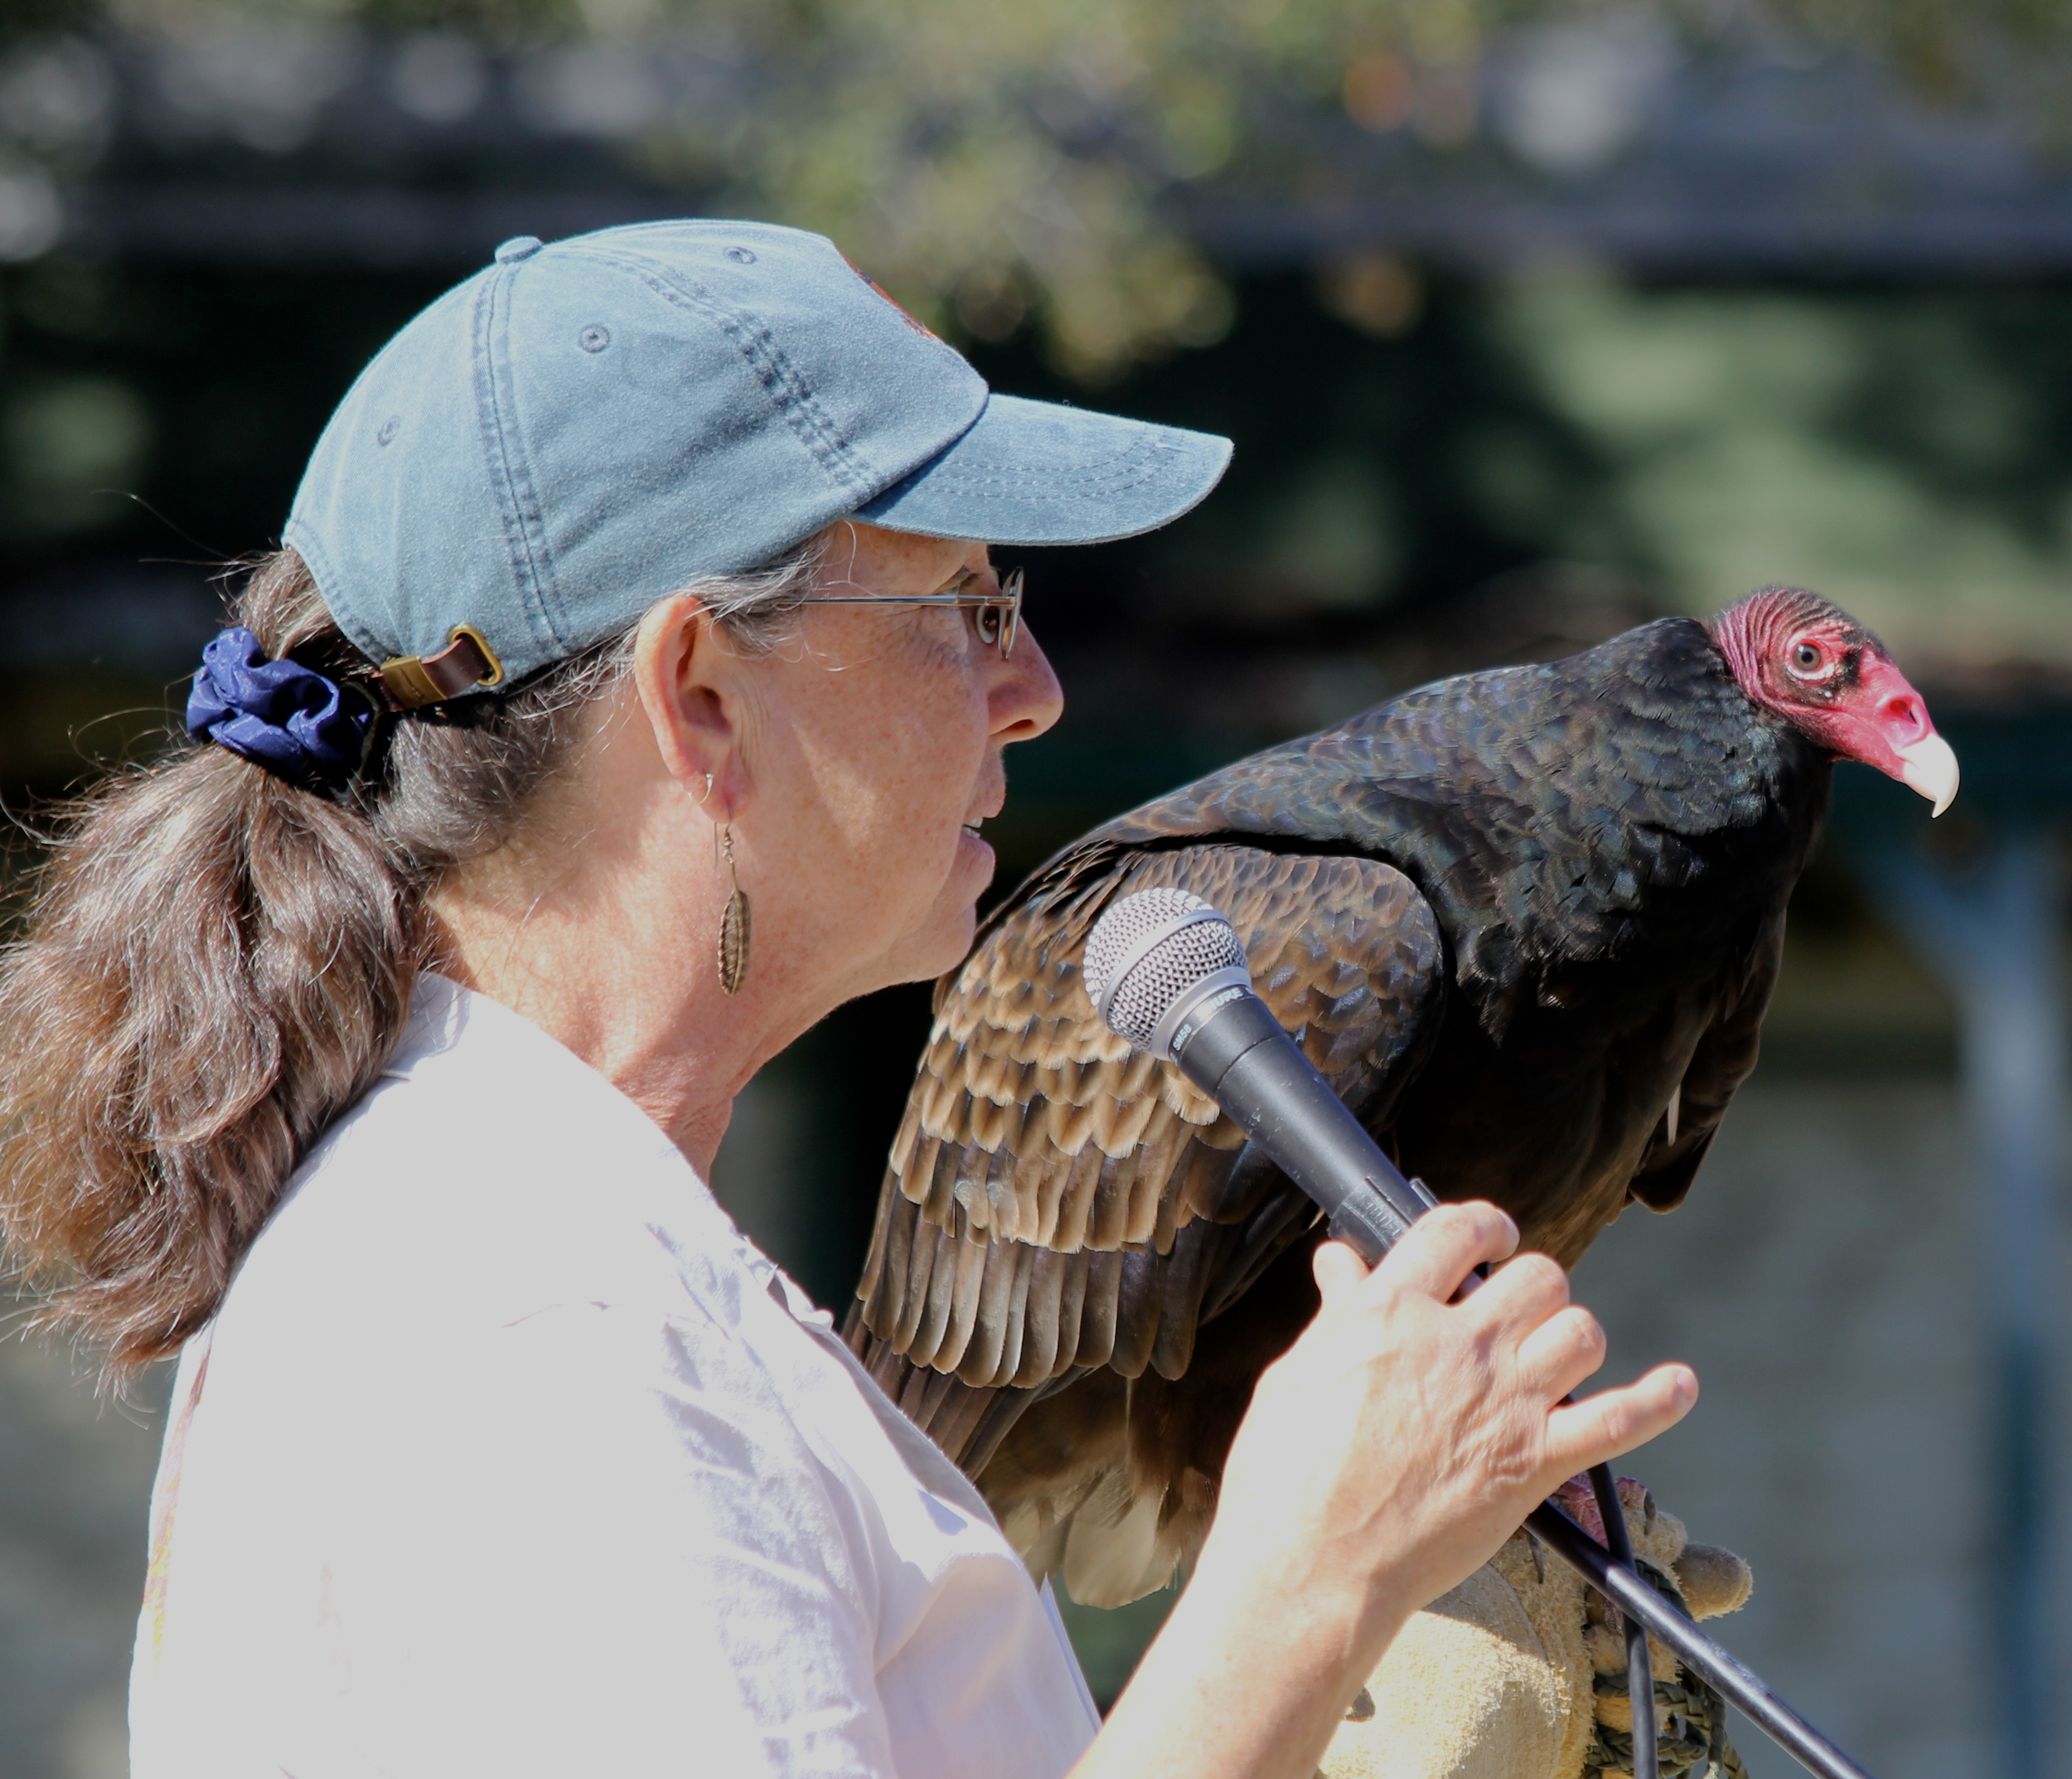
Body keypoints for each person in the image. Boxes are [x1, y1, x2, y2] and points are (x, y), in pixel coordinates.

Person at [0, 221, 1694, 1779]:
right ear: (699, 694)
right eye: (967, 605)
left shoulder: (533, 1239)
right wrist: (1306, 1585)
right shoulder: (553, 1325)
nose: (1033, 688)